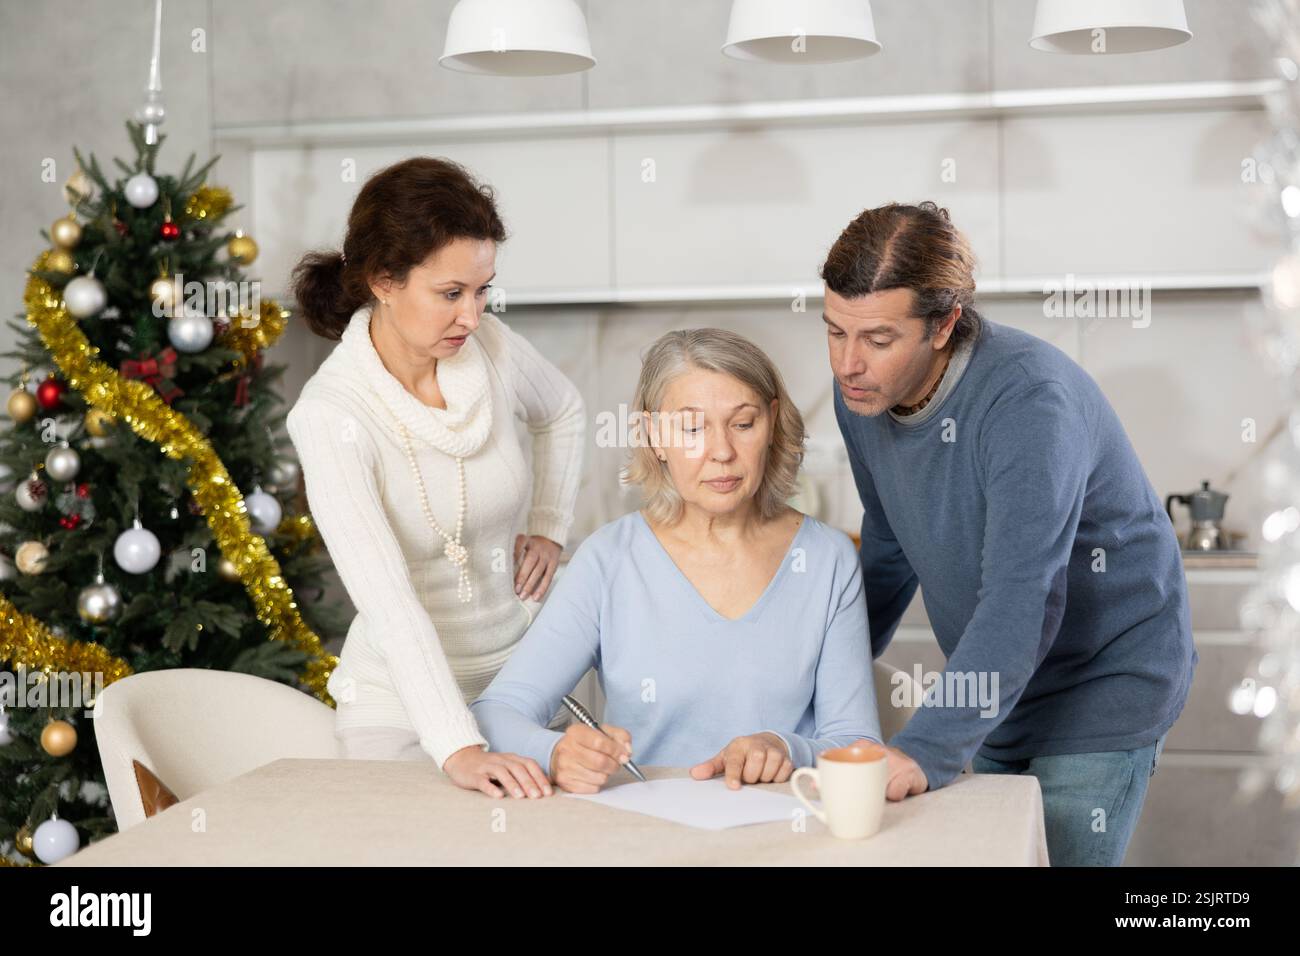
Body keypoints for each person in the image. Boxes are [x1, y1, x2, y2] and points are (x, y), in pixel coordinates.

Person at [822, 200, 1196, 865]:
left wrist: (926, 749)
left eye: (878, 339)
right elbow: (887, 543)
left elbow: (1023, 597)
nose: (849, 362)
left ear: (945, 326)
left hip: (1106, 678)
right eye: (834, 331)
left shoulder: (1028, 401)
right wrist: (813, 682)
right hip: (1002, 681)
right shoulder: (862, 396)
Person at [286, 157, 585, 800]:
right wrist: (459, 746)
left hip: (520, 685)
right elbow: (389, 604)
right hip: (402, 714)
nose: (473, 317)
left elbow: (564, 411)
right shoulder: (330, 416)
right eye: (451, 294)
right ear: (384, 280)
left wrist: (550, 527)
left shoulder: (494, 349)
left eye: (482, 291)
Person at [472, 328, 881, 793]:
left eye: (743, 424)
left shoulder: (828, 560)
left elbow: (858, 743)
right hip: (645, 834)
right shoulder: (608, 561)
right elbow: (495, 712)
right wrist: (555, 752)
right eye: (691, 428)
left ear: (771, 424)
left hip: (787, 831)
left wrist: (787, 747)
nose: (722, 452)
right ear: (654, 437)